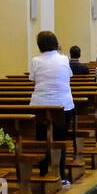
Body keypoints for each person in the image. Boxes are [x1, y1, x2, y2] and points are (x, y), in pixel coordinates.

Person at [30, 31, 74, 186]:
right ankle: (61, 175)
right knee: (60, 140)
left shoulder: (35, 60)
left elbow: (33, 78)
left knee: (41, 138)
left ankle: (43, 172)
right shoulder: (63, 58)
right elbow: (68, 76)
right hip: (63, 105)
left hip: (40, 105)